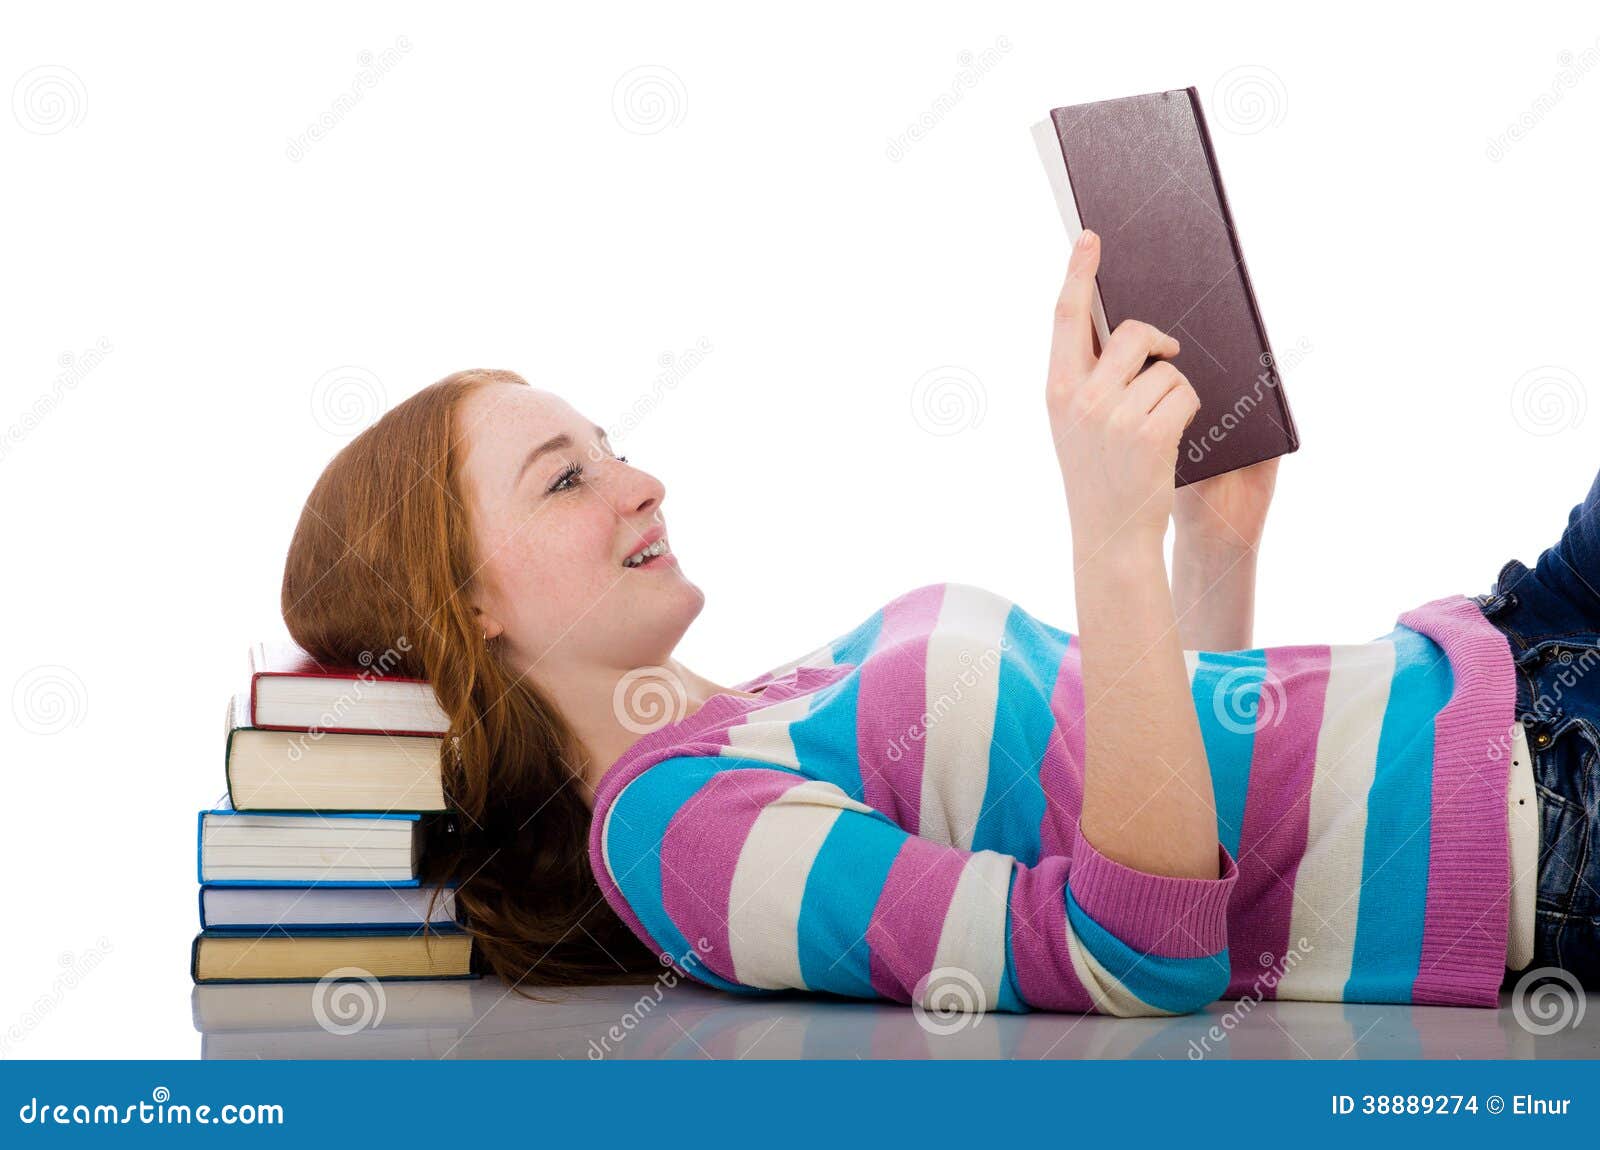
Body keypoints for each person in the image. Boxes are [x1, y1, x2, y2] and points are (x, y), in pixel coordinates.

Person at [278, 229, 1577, 1014]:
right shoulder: (673, 835)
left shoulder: (766, 707)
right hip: (1533, 810)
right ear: (465, 608)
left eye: (610, 444)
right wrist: (1108, 537)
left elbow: (1192, 777)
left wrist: (1208, 545)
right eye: (566, 480)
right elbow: (1139, 951)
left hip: (1505, 653)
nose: (642, 481)